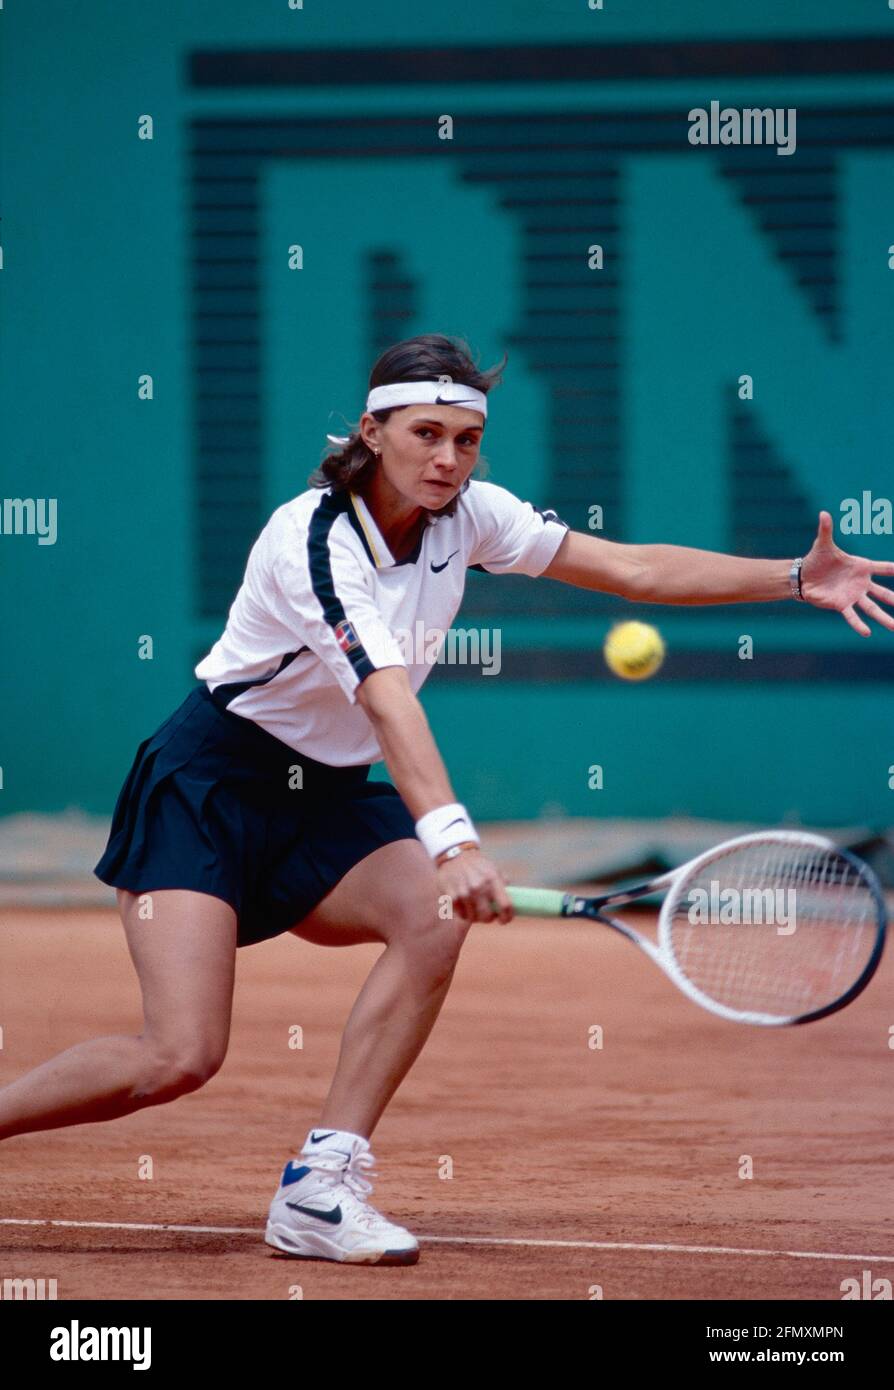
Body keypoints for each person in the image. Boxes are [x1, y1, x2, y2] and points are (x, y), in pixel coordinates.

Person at [1, 333, 892, 1267]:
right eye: (427, 434)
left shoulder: (472, 516)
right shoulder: (310, 541)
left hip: (325, 798)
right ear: (372, 430)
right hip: (209, 787)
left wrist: (794, 577)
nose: (447, 460)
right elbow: (386, 697)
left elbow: (631, 570)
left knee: (432, 917)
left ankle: (319, 1187)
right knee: (178, 1057)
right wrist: (455, 839)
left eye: (466, 440)